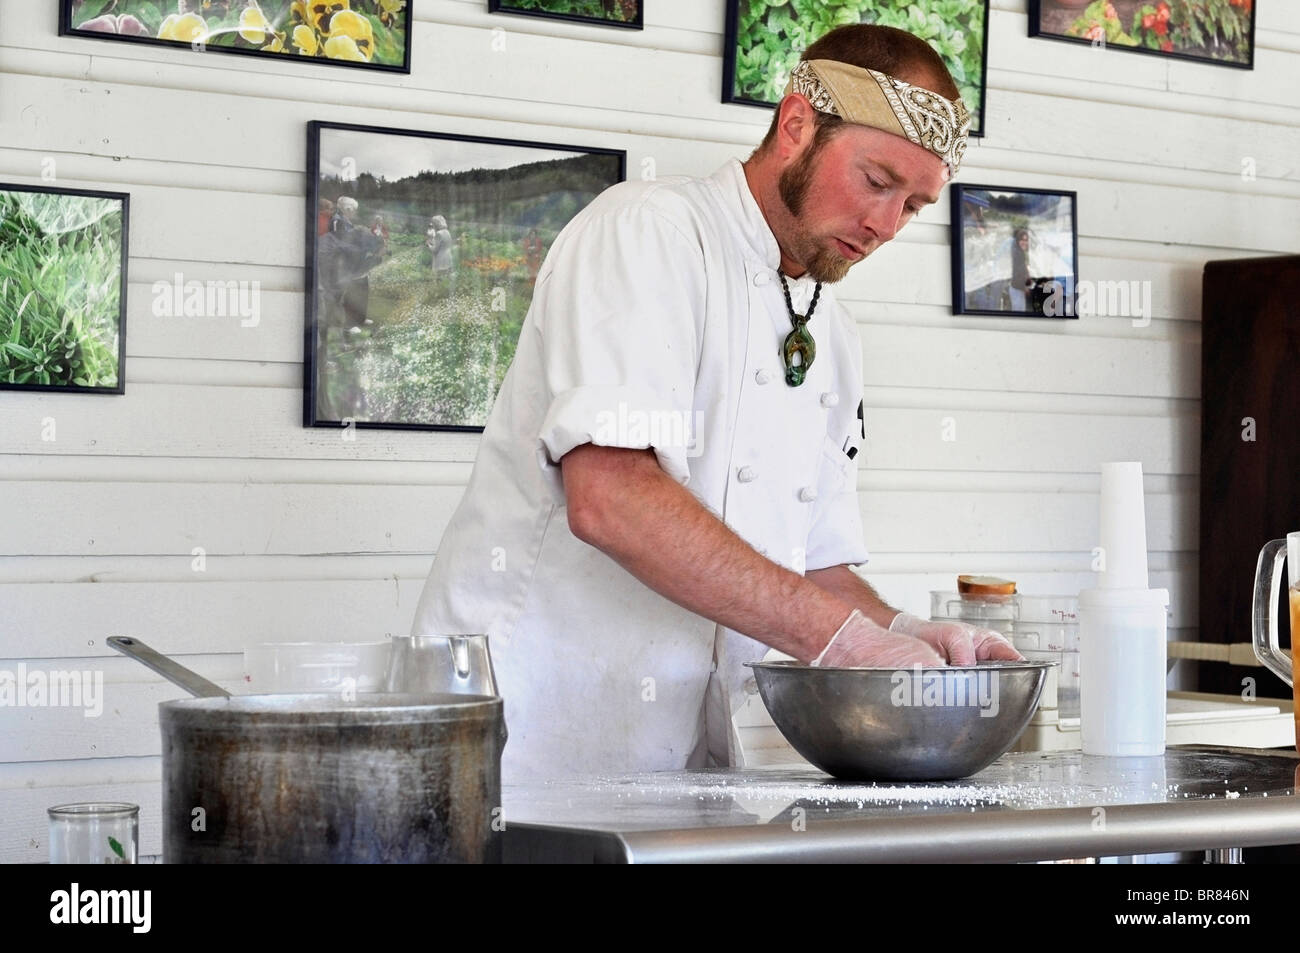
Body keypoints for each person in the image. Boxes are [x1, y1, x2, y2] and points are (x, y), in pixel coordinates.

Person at [410, 24, 1020, 783]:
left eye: (915, 206)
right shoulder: (648, 234)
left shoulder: (834, 328)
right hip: (524, 736)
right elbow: (612, 500)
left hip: (676, 761)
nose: (887, 225)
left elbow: (814, 564)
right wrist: (846, 642)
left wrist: (907, 633)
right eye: (875, 179)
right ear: (797, 124)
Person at [1008, 227, 1033, 311]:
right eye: (1022, 240)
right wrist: (1025, 288)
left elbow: (1023, 269)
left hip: (1018, 289)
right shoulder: (1017, 254)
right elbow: (1018, 275)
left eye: (1026, 240)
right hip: (1017, 289)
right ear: (1017, 240)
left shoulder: (1019, 252)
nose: (1025, 242)